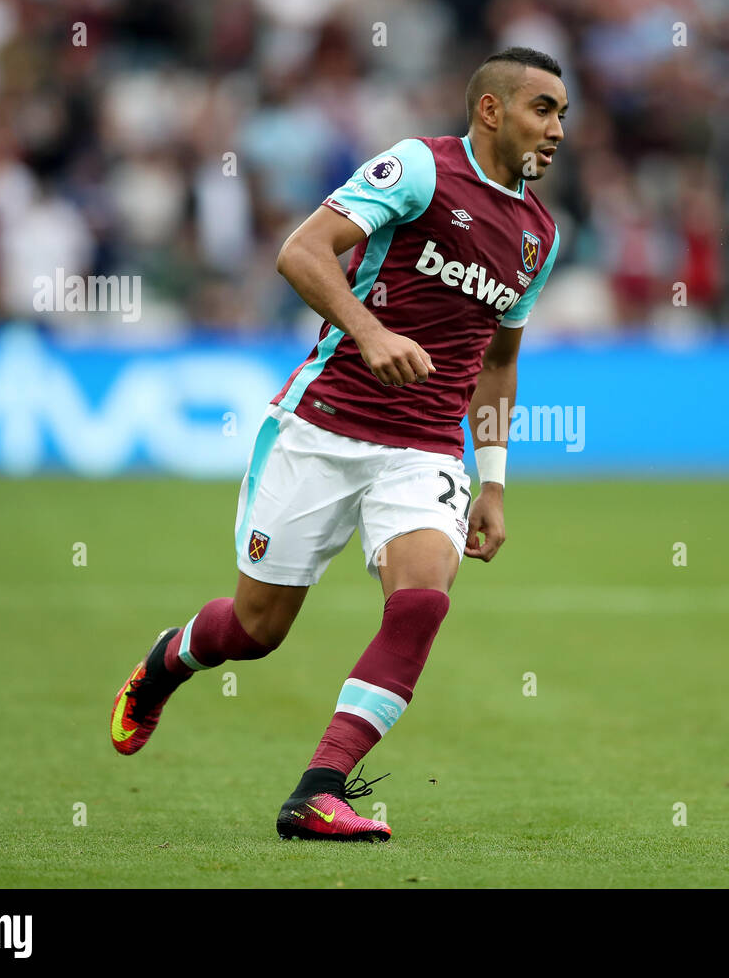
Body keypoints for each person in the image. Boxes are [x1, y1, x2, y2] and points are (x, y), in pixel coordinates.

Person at [109, 47, 567, 842]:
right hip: (322, 426)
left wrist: (492, 482)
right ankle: (168, 659)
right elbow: (300, 251)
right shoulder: (420, 169)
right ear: (491, 110)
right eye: (544, 109)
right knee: (257, 629)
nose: (558, 128)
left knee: (423, 601)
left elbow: (499, 361)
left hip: (424, 448)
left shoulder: (539, 234)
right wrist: (371, 330)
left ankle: (319, 788)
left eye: (564, 114)